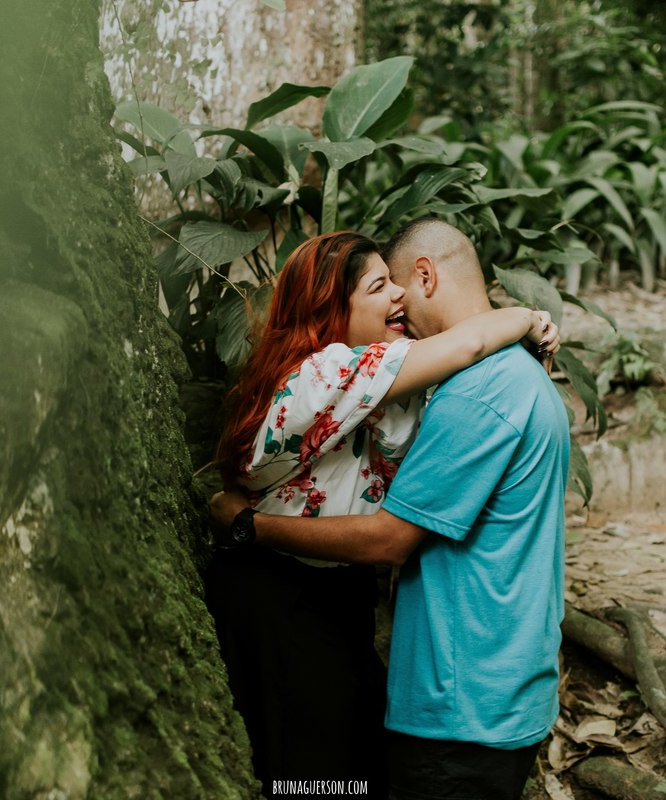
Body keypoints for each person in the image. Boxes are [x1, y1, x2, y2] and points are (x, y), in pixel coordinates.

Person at [210, 219, 571, 800]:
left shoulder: (410, 388)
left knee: (344, 768)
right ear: (333, 307)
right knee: (307, 776)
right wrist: (525, 318)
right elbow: (469, 344)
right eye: (379, 288)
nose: (399, 298)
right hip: (281, 590)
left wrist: (527, 334)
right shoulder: (327, 373)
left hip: (351, 598)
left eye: (396, 282)